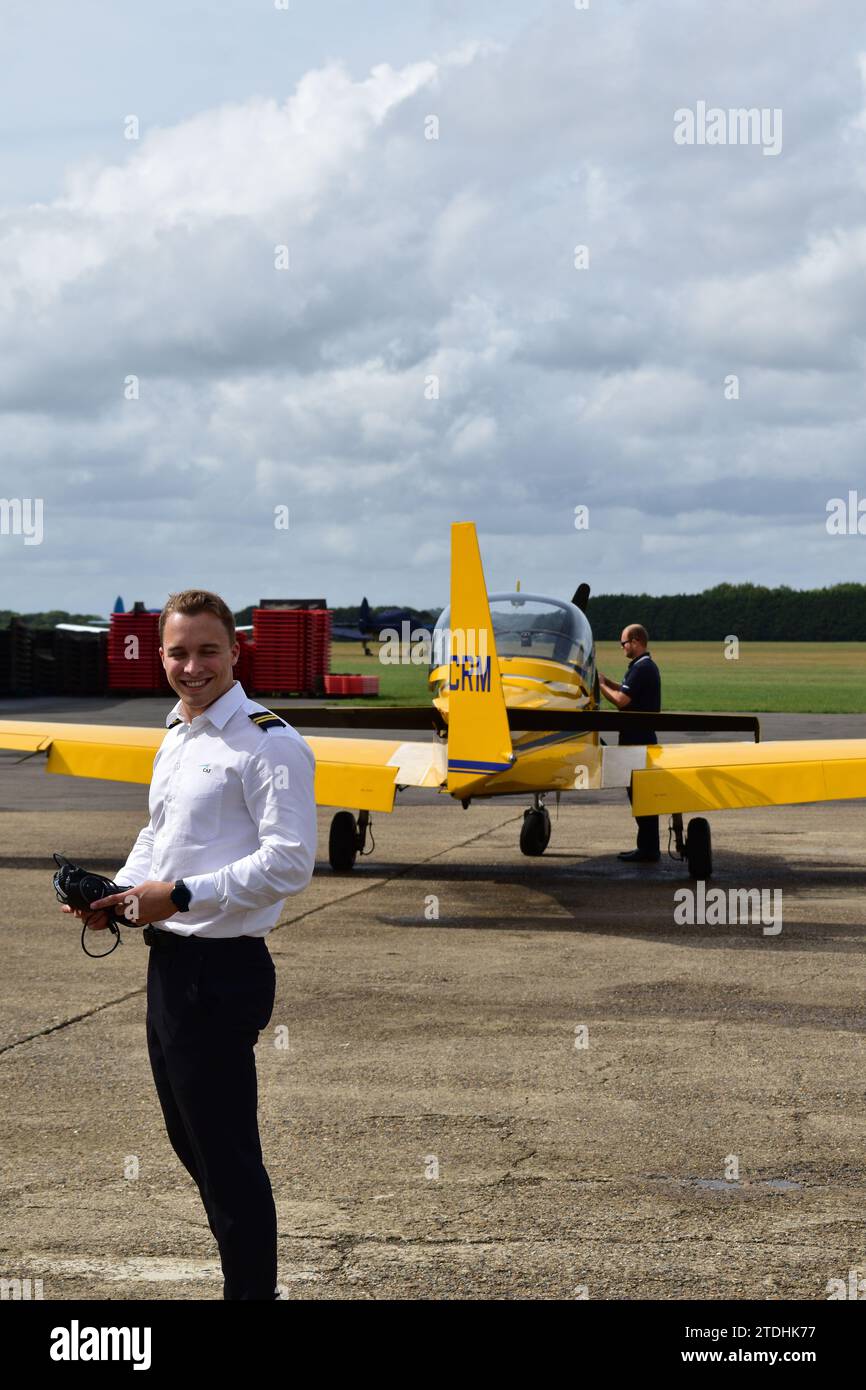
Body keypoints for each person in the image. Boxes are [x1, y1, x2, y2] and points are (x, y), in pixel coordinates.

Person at [61, 589, 317, 1300]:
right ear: (162, 656)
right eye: (178, 651)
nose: (191, 665)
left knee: (228, 1156)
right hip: (171, 965)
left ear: (237, 652)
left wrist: (179, 896)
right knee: (191, 1142)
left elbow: (291, 862)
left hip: (223, 968)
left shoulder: (268, 743)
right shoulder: (178, 734)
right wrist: (119, 896)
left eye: (208, 650)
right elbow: (160, 837)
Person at [598, 623, 661, 862]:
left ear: (635, 641)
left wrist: (601, 686)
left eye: (623, 643)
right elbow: (626, 690)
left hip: (637, 742)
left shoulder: (641, 669)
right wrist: (607, 681)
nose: (622, 647)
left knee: (640, 797)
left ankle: (648, 850)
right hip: (641, 739)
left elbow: (622, 701)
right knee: (641, 797)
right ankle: (647, 847)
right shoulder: (643, 667)